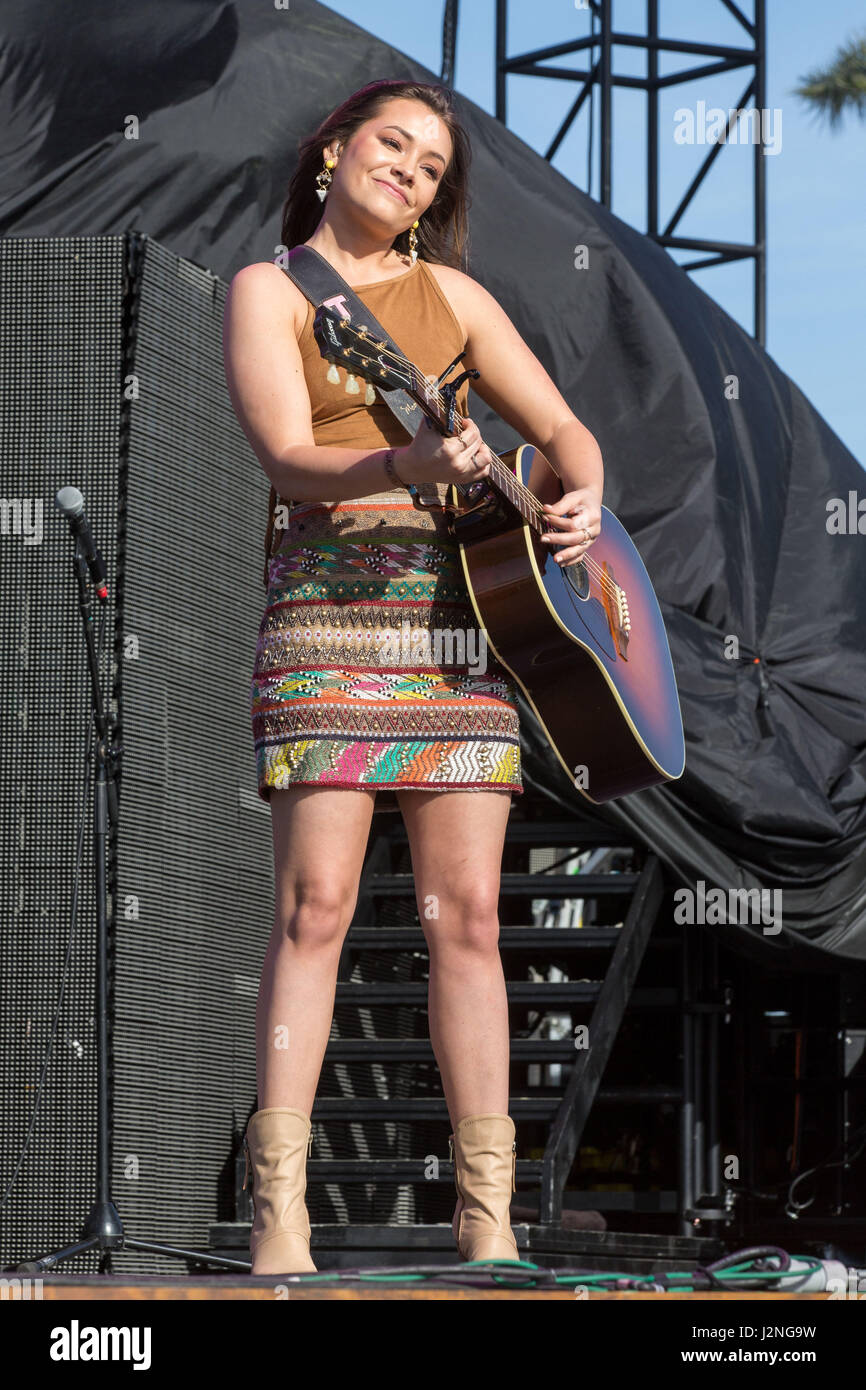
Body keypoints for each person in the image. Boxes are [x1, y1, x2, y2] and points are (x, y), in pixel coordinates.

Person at [222, 77, 604, 1275]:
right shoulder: (271, 292)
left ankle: (487, 1216)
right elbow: (289, 459)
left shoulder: (456, 296)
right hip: (328, 617)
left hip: (462, 622)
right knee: (314, 908)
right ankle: (280, 1212)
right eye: (393, 146)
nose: (410, 172)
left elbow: (565, 432)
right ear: (334, 151)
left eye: (432, 166)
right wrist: (399, 453)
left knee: (474, 921)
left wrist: (579, 489)